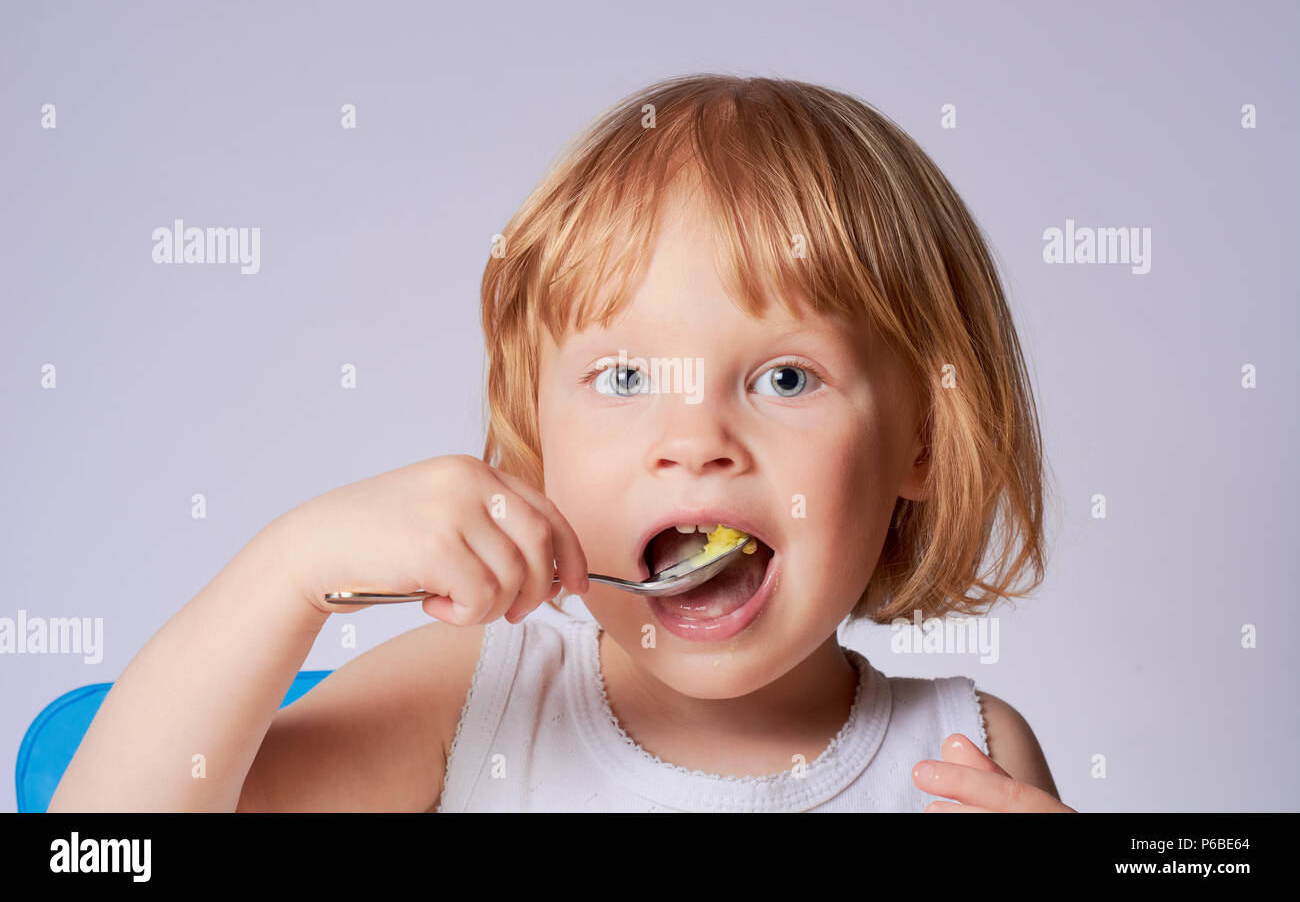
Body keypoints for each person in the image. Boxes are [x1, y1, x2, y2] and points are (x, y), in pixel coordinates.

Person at [50, 73, 1072, 812]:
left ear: (925, 440)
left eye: (784, 376)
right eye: (623, 377)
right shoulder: (470, 701)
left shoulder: (964, 751)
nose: (694, 440)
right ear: (537, 439)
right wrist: (288, 572)